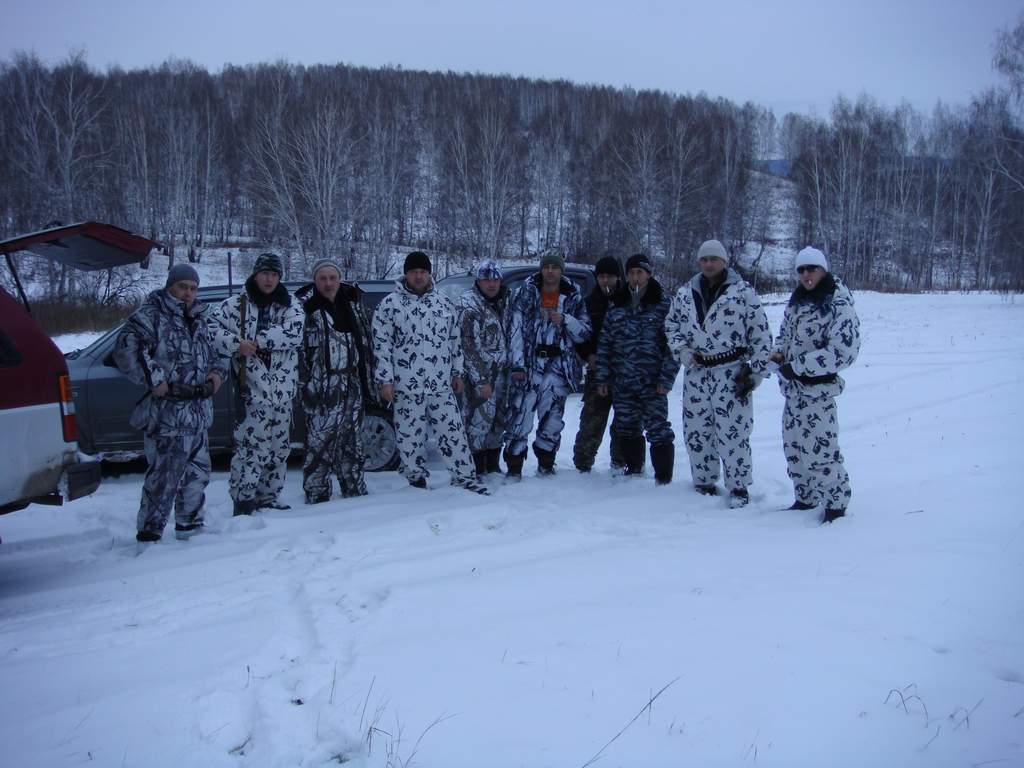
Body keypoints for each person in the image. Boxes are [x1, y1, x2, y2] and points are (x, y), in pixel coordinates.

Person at [114, 264, 226, 543]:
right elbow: (126, 350)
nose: (188, 292)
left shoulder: (200, 318)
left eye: (192, 288)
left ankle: (190, 528)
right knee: (163, 479)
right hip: (167, 415)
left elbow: (216, 354)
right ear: (170, 287)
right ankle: (149, 536)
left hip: (198, 414)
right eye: (182, 286)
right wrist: (154, 379)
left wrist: (216, 376)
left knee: (197, 476)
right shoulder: (150, 316)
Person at [664, 239, 771, 507]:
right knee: (697, 431)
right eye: (704, 259)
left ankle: (738, 487)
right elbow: (671, 327)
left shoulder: (743, 293)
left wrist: (756, 372)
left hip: (731, 373)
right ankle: (704, 482)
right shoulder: (685, 293)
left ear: (724, 261)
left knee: (733, 432)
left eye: (713, 259)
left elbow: (760, 334)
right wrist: (683, 352)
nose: (708, 264)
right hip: (697, 371)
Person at [372, 251, 489, 495]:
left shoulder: (443, 302)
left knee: (453, 434)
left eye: (423, 271)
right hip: (406, 386)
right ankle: (416, 481)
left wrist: (457, 373)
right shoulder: (389, 306)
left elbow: (454, 342)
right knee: (409, 439)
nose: (418, 276)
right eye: (414, 271)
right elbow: (381, 347)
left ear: (429, 273)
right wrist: (385, 380)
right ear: (406, 273)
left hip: (440, 385)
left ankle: (465, 478)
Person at [772, 247, 861, 524]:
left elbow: (843, 352)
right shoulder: (797, 302)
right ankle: (806, 498)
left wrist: (798, 366)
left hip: (818, 393)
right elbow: (784, 336)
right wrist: (777, 355)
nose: (806, 275)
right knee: (795, 450)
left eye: (812, 269)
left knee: (821, 452)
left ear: (823, 270)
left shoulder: (838, 303)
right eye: (801, 270)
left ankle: (836, 506)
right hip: (793, 393)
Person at [210, 253, 303, 516]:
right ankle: (244, 500)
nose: (269, 279)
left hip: (283, 393)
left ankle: (269, 497)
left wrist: (257, 341)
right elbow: (211, 330)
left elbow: (294, 333)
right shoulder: (234, 306)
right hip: (251, 392)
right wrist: (236, 344)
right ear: (255, 274)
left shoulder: (290, 305)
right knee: (251, 449)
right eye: (265, 273)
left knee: (279, 448)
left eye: (274, 274)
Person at [295, 258, 378, 503]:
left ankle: (355, 491)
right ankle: (317, 496)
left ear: (339, 278)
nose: (328, 283)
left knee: (352, 442)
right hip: (322, 388)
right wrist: (306, 387)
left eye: (333, 278)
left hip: (352, 383)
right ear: (315, 280)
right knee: (319, 446)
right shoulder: (304, 309)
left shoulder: (353, 303)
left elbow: (368, 341)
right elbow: (297, 355)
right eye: (323, 278)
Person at [505, 249, 591, 478]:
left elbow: (585, 333)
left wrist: (566, 320)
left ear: (561, 270)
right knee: (520, 416)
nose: (550, 271)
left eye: (554, 267)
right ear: (541, 269)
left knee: (552, 420)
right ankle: (514, 467)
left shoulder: (573, 296)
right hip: (530, 364)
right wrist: (518, 364)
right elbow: (515, 331)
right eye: (546, 267)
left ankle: (546, 463)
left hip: (557, 367)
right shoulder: (526, 293)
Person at [595, 254, 680, 484]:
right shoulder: (617, 303)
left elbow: (674, 346)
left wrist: (666, 378)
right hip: (623, 381)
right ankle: (634, 469)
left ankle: (663, 478)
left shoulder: (663, 304)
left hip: (652, 382)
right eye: (631, 273)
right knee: (627, 427)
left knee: (658, 429)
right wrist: (602, 378)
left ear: (648, 274)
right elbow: (605, 344)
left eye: (639, 272)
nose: (635, 277)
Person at [458, 259, 515, 479]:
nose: (491, 284)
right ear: (478, 281)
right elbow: (467, 346)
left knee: (499, 421)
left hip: (503, 374)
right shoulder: (468, 304)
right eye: (486, 279)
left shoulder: (507, 301)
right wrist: (481, 380)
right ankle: (476, 469)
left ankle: (493, 466)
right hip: (480, 379)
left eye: (495, 279)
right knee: (477, 422)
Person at [572, 256, 627, 473]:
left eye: (610, 276)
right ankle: (583, 463)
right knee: (592, 420)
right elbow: (579, 335)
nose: (606, 280)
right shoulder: (588, 303)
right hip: (597, 370)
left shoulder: (628, 300)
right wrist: (588, 355)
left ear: (617, 277)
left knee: (624, 419)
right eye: (602, 276)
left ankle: (620, 461)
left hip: (624, 370)